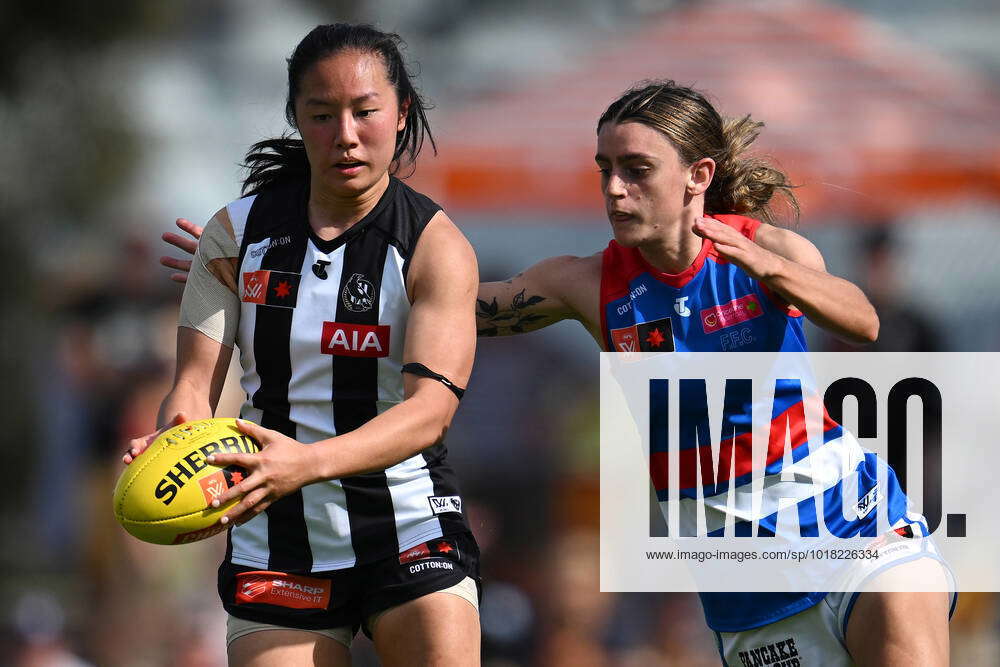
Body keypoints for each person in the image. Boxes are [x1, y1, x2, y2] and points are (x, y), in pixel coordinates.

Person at [162, 80, 954, 665]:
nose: (612, 187)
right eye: (604, 166)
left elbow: (862, 317)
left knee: (902, 613)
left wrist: (776, 273)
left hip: (855, 525)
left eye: (636, 168)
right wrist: (277, 267)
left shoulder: (764, 249)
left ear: (699, 175)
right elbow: (446, 302)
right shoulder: (585, 282)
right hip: (746, 572)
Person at [127, 23, 481, 667]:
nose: (345, 134)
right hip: (274, 530)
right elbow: (192, 386)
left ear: (401, 114)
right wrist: (176, 442)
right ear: (295, 117)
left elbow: (430, 412)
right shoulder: (236, 234)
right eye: (321, 114)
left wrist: (307, 463)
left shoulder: (435, 244)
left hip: (406, 523)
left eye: (365, 112)